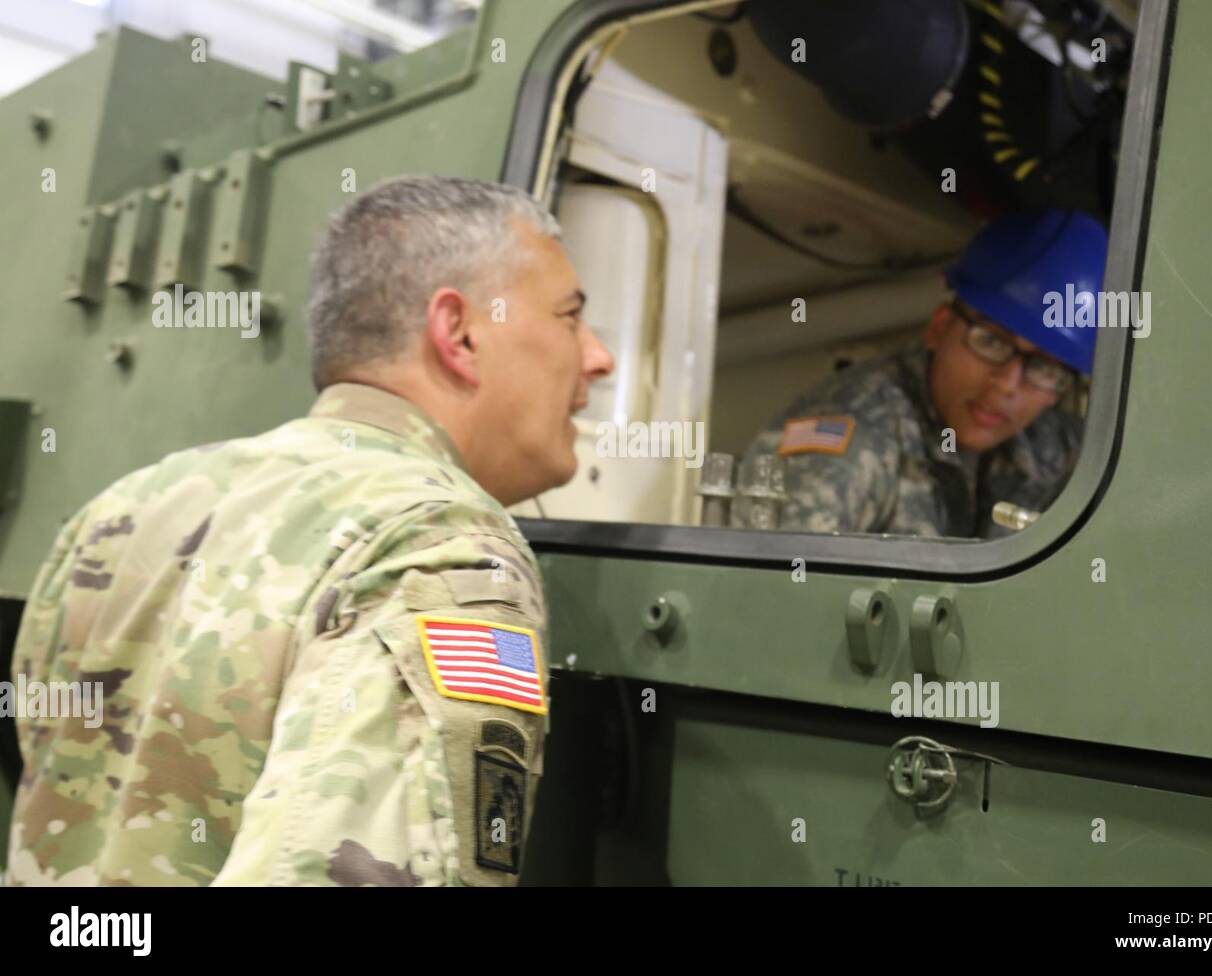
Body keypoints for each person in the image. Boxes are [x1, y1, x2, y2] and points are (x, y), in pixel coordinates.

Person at [3, 175, 614, 886]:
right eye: (570, 316)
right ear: (460, 334)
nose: (598, 356)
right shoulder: (441, 545)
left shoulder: (127, 508)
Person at [744, 210, 1106, 538]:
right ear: (940, 328)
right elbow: (767, 599)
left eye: (1043, 367)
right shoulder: (855, 443)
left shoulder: (1056, 446)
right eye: (992, 342)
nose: (1007, 385)